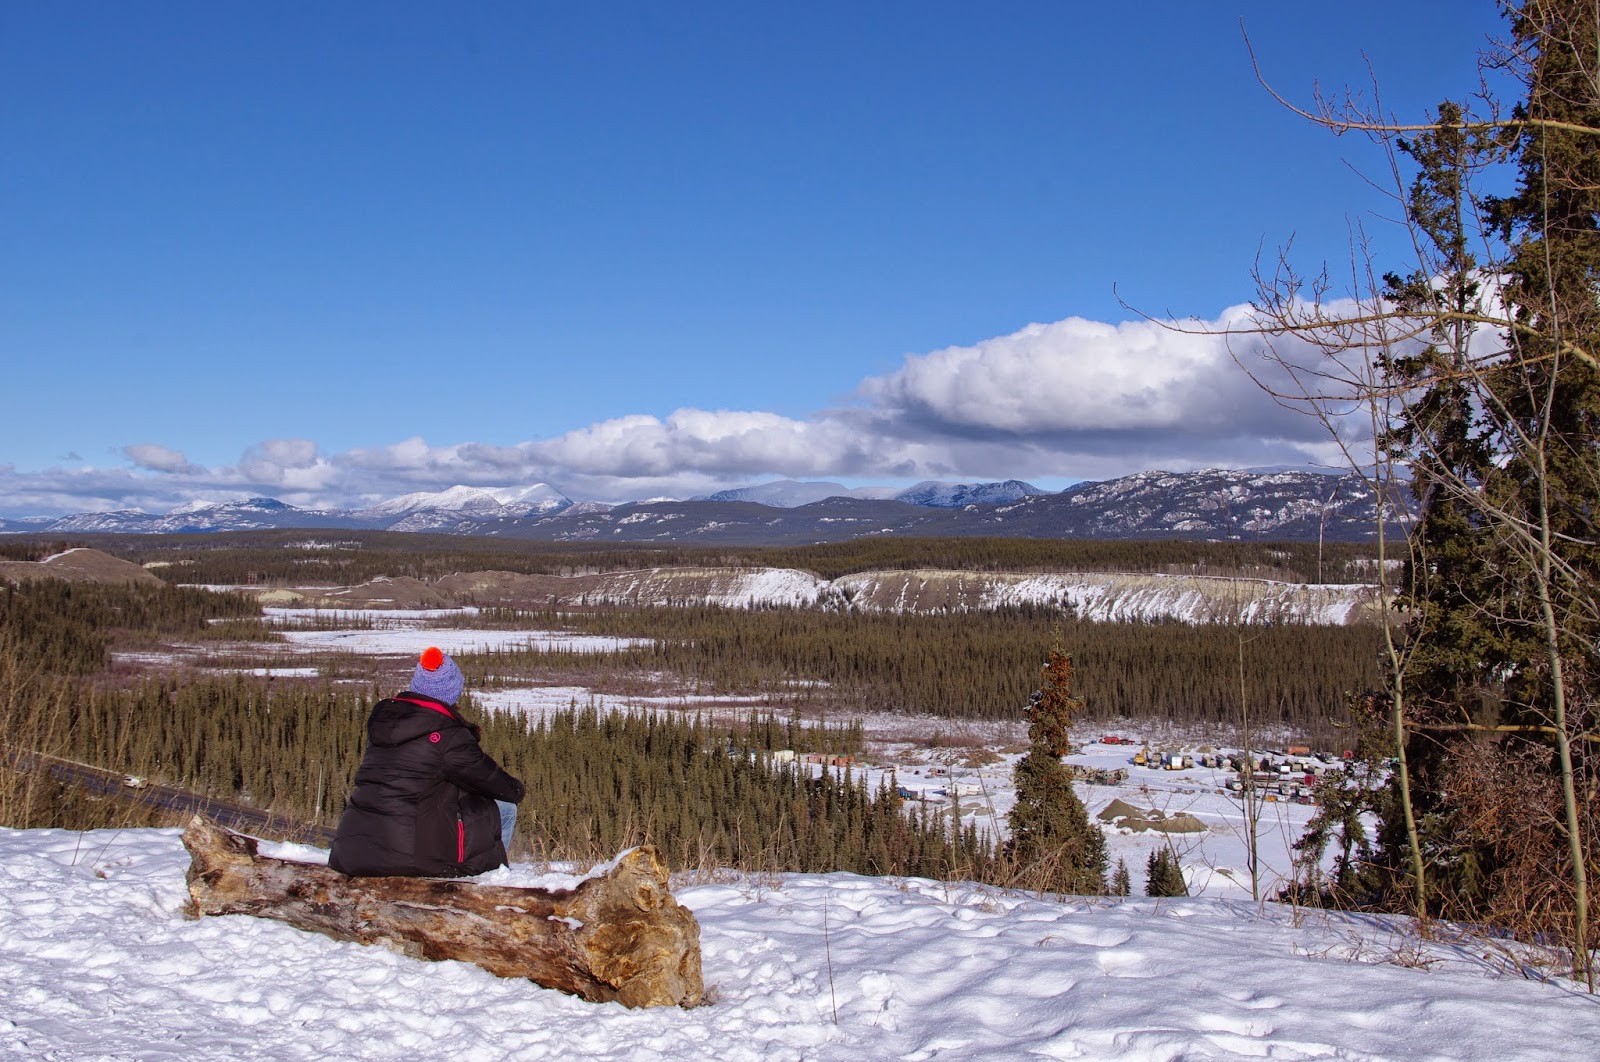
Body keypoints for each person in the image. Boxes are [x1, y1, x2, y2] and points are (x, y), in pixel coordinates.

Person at [329, 647, 524, 877]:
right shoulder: (448, 735)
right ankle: (497, 877)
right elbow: (498, 785)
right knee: (505, 809)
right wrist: (518, 789)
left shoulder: (384, 721)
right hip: (407, 855)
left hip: (351, 849)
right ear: (452, 691)